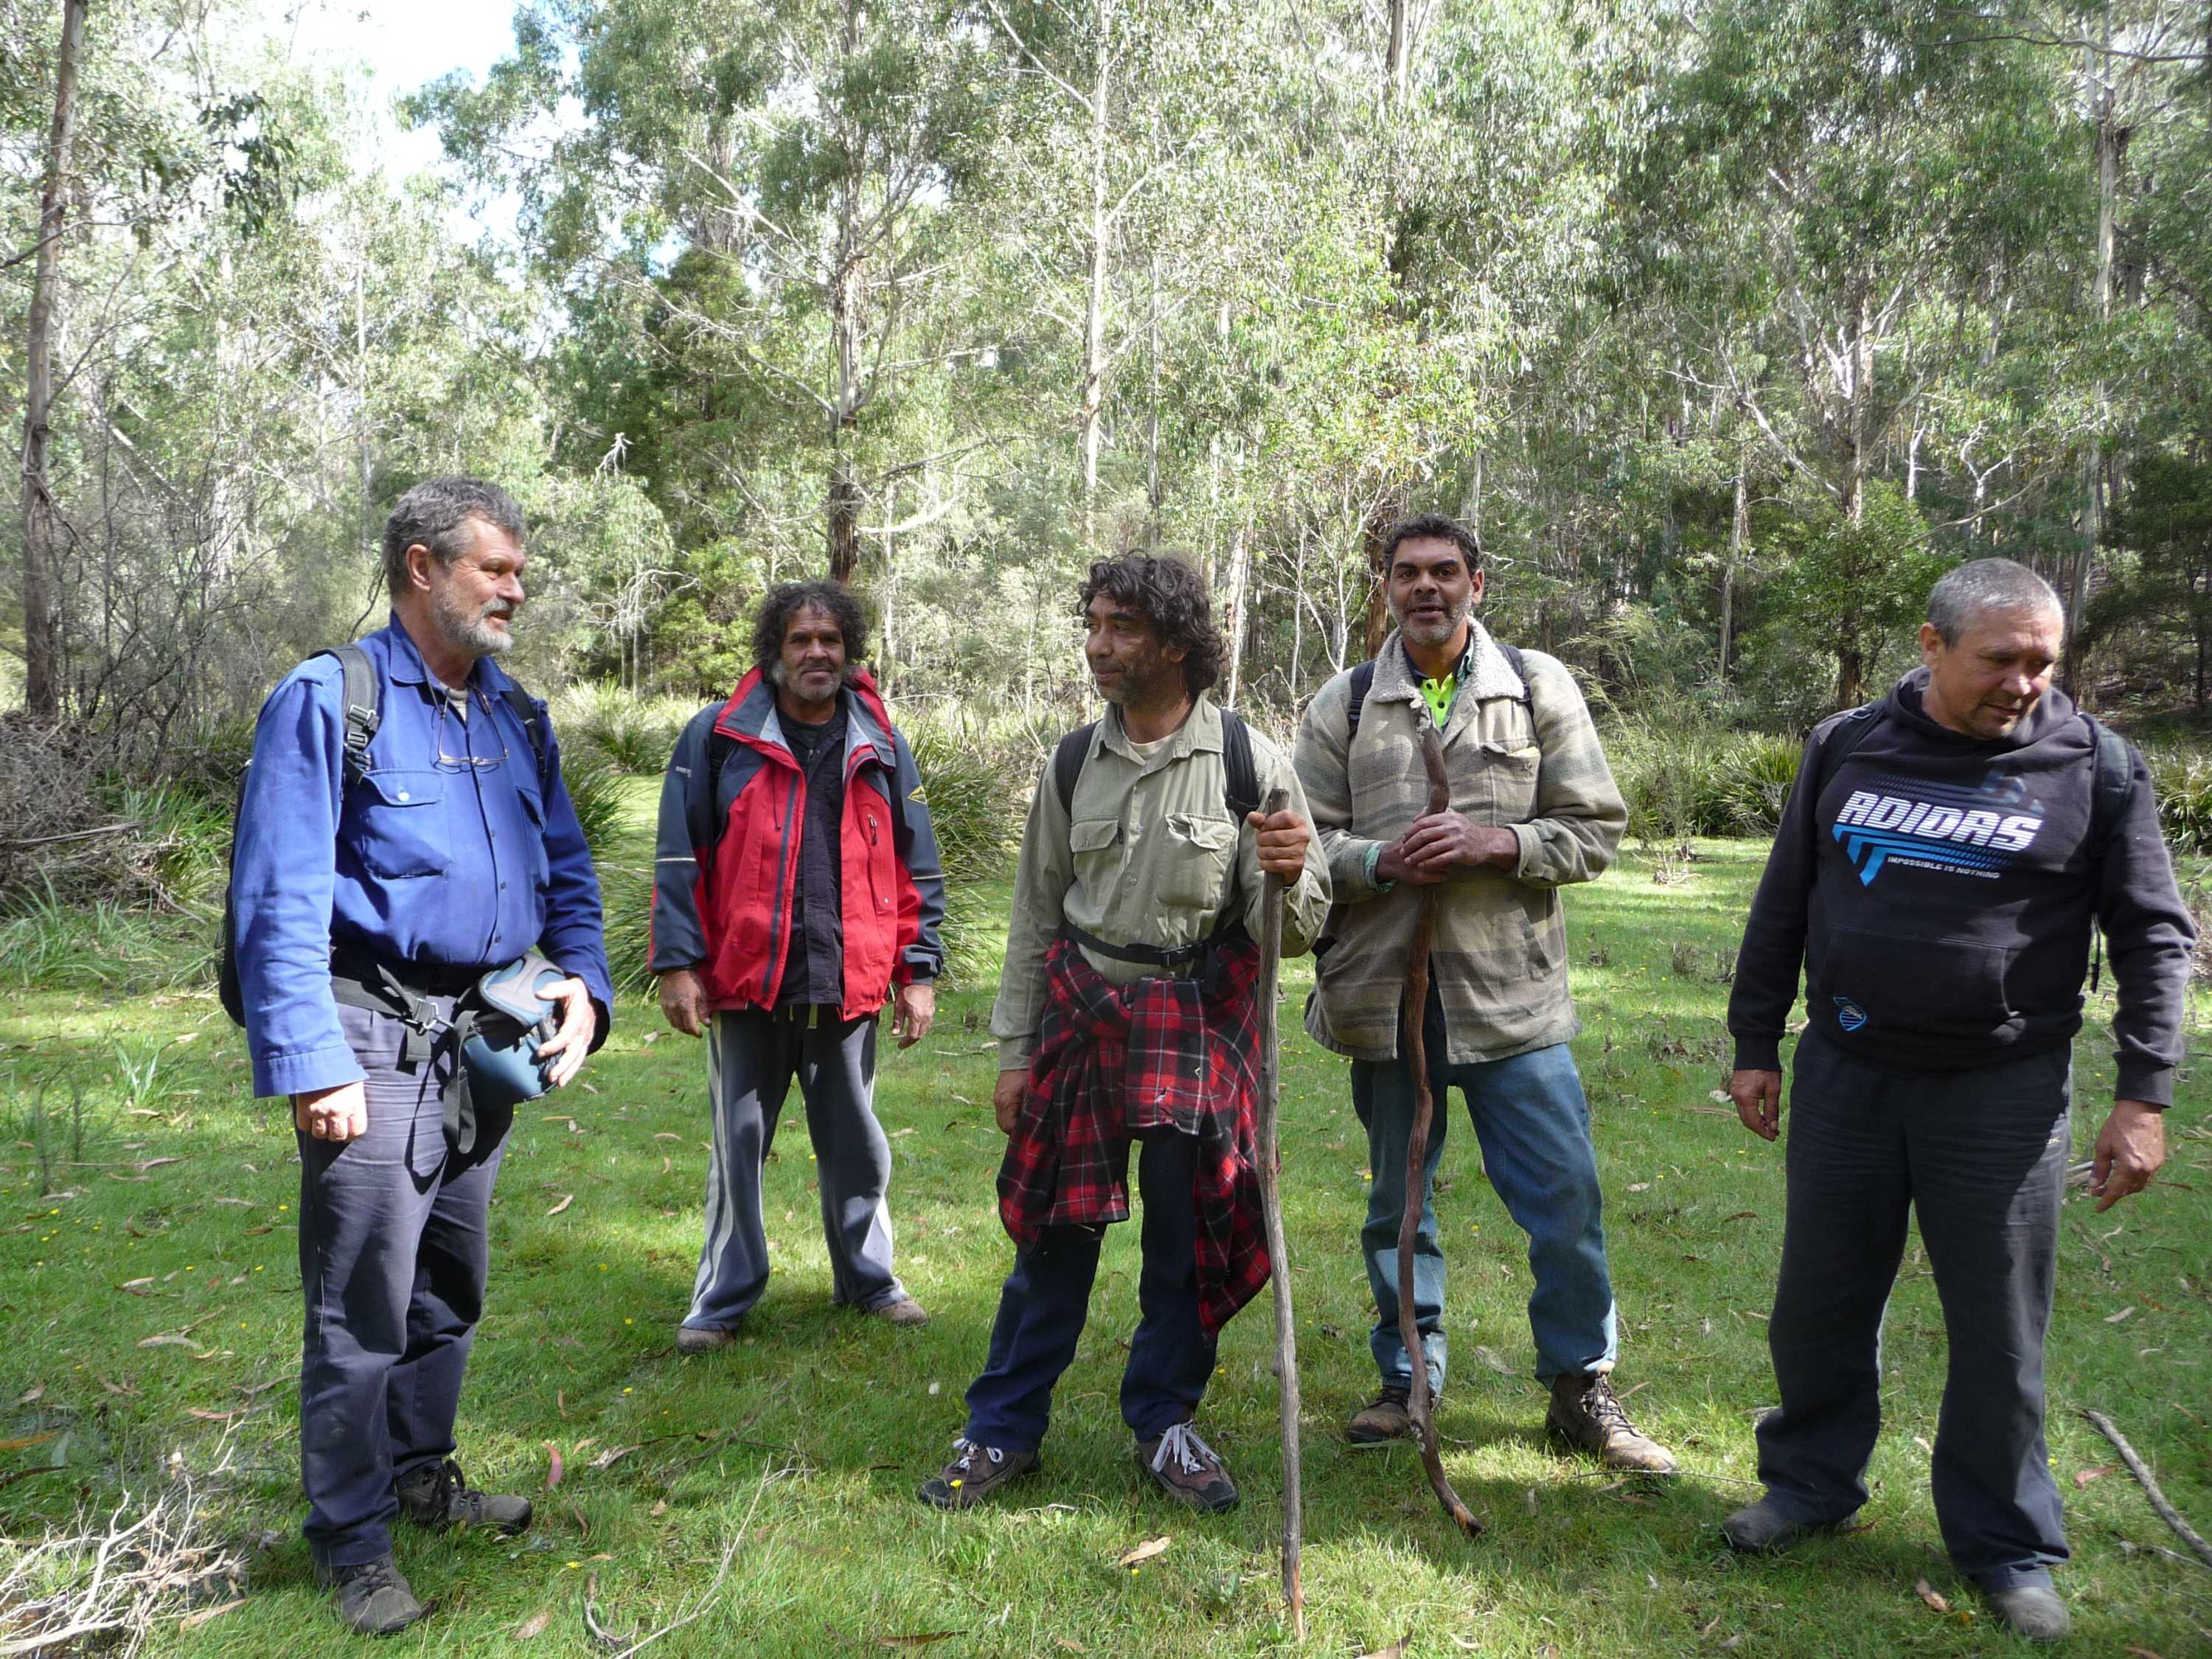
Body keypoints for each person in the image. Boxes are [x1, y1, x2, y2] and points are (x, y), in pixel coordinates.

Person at [1720, 558, 2195, 1641]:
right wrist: (1756, 1040)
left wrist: (2144, 1095)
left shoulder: (2099, 768)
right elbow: (1785, 893)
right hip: (1848, 1074)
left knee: (1999, 1329)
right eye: (2001, 659)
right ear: (1932, 648)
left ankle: (2005, 1543)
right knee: (1822, 1299)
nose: (2025, 682)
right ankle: (1809, 1485)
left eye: (2043, 661)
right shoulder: (1848, 745)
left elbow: (2155, 935)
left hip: (2002, 1093)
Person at [232, 478, 612, 1636]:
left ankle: (419, 1474)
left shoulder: (516, 715)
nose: (515, 588)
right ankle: (351, 1538)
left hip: (483, 1038)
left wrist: (586, 989)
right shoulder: (329, 699)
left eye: (517, 572)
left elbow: (569, 871)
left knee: (450, 1284)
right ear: (420, 566)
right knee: (361, 1303)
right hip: (367, 1033)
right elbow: (277, 897)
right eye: (495, 568)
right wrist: (313, 1061)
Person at [919, 553, 1329, 1514]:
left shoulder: (1248, 760)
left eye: (1122, 627)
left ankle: (1165, 1422)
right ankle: (1003, 1426)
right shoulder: (1072, 762)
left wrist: (1292, 869)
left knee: (1187, 1242)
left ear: (1176, 645)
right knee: (1055, 1243)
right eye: (1095, 623)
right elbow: (1035, 915)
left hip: (1196, 1018)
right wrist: (1016, 1052)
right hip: (1083, 1016)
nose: (1099, 644)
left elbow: (1299, 932)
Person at [1293, 513, 1673, 1471]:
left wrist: (1497, 843)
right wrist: (1380, 860)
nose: (1428, 586)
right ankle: (1407, 1378)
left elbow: (1594, 827)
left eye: (1445, 571)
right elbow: (1302, 848)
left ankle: (1580, 1387)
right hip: (1387, 1000)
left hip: (1515, 1003)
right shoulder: (1340, 707)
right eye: (1408, 572)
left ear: (1477, 583)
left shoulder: (1537, 687)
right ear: (1383, 587)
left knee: (1566, 1197)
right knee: (1399, 1205)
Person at [650, 581, 944, 1350]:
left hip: (848, 977)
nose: (817, 653)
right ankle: (722, 1298)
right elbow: (679, 855)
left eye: (830, 641)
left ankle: (871, 1281)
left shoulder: (880, 742)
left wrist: (919, 969)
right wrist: (678, 964)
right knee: (738, 1143)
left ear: (849, 652)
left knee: (856, 1140)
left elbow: (920, 865)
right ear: (774, 652)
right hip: (747, 981)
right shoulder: (719, 737)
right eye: (800, 640)